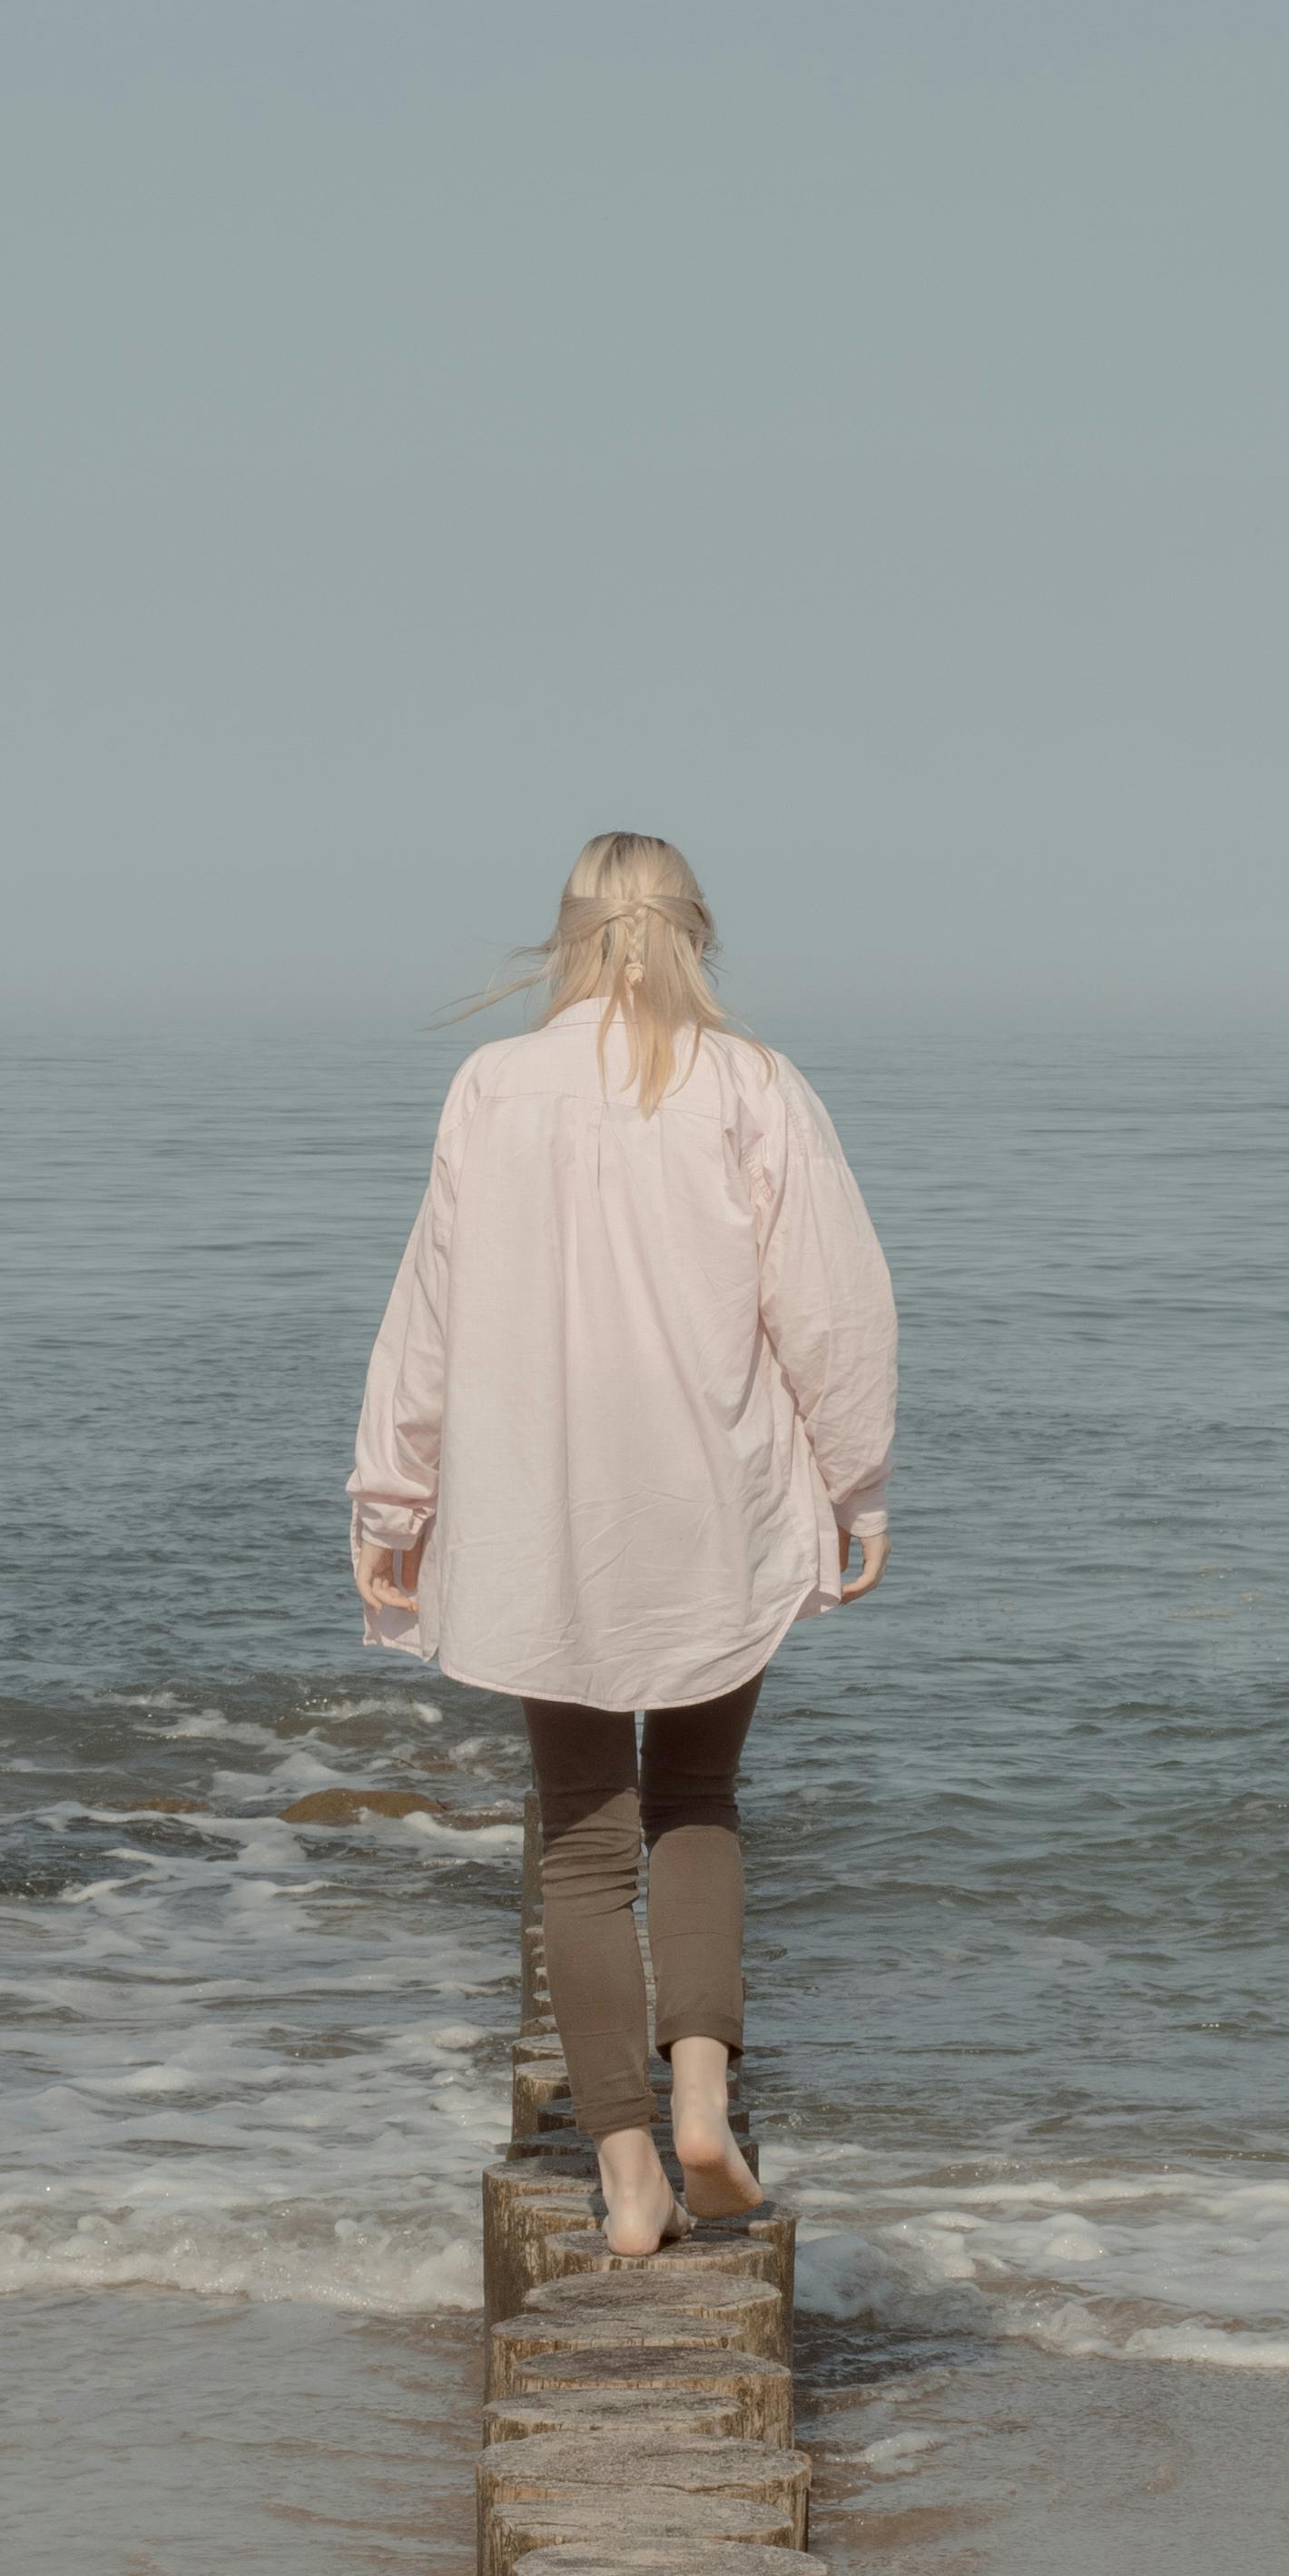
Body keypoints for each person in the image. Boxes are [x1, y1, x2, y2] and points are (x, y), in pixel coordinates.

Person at [348, 833, 898, 2259]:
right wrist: (857, 1486)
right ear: (691, 936)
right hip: (713, 1496)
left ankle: (629, 2169)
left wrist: (390, 1501)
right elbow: (832, 1310)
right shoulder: (753, 1085)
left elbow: (429, 1316)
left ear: (573, 938)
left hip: (547, 1506)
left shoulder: (494, 1088)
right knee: (698, 1795)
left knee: (584, 1841)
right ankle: (704, 2096)